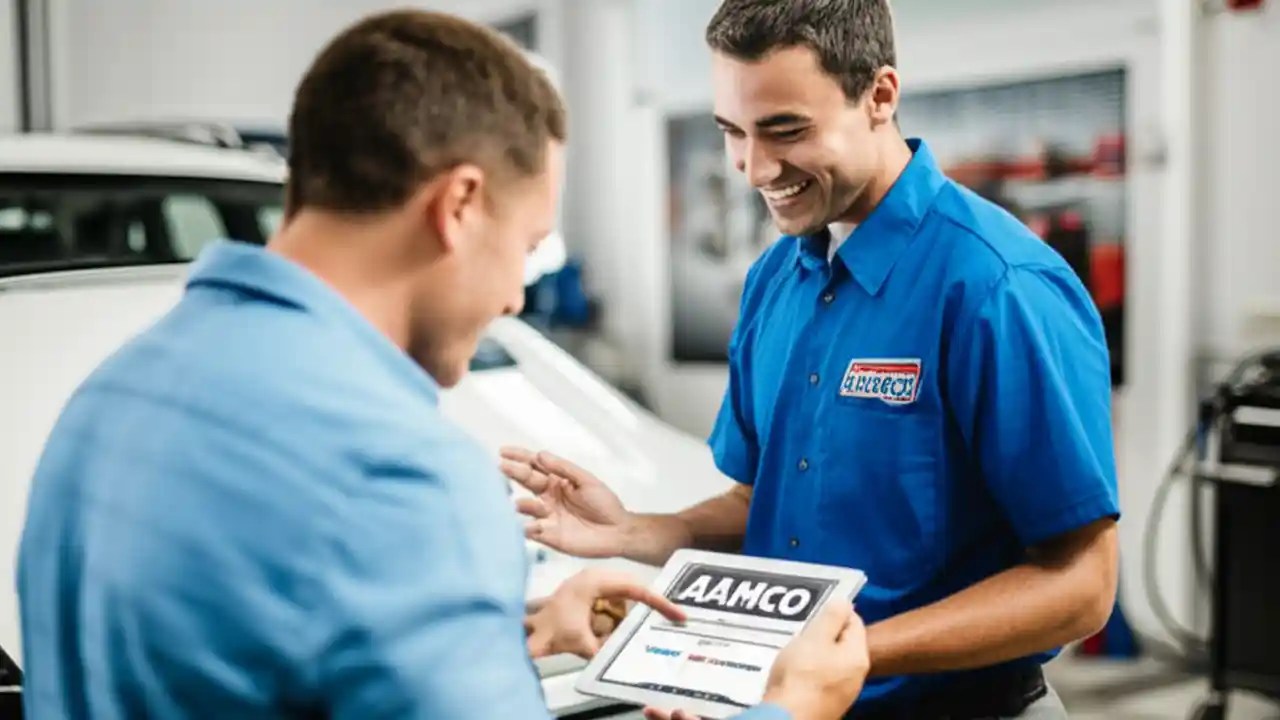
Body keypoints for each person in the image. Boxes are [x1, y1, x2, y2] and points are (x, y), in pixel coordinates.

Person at [15, 10, 868, 720]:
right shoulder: (395, 475)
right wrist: (788, 710)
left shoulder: (108, 400)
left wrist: (509, 632)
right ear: (459, 205)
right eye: (526, 252)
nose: (510, 301)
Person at [503, 1, 1120, 718]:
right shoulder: (776, 281)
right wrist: (634, 532)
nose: (753, 168)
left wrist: (851, 654)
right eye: (733, 132)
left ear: (880, 96)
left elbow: (1081, 584)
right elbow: (762, 503)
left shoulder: (996, 285)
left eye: (785, 130)